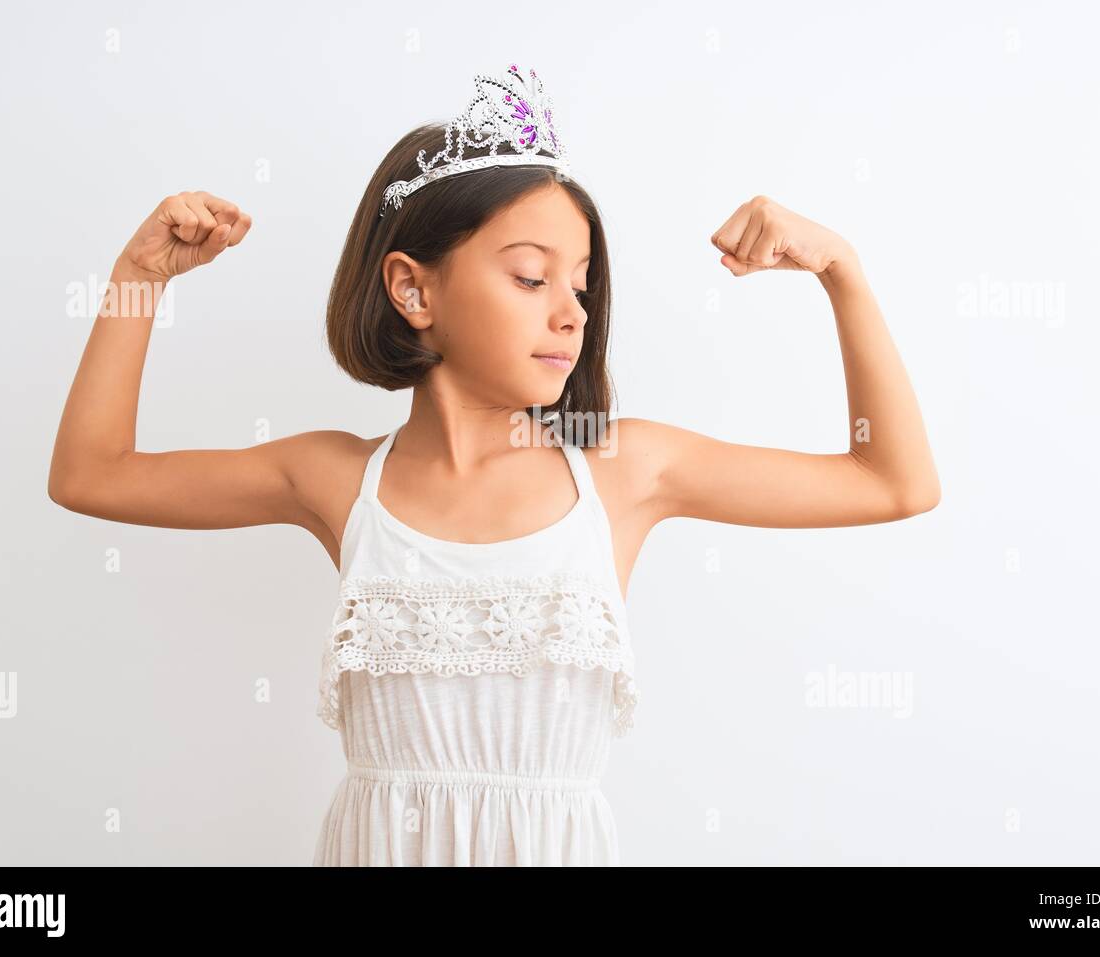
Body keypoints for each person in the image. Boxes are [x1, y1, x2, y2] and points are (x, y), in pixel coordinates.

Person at [48, 63, 940, 866]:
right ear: (412, 288)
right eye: (530, 276)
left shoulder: (621, 472)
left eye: (581, 284)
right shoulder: (334, 480)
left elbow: (892, 482)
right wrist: (140, 275)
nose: (571, 313)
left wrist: (842, 273)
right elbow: (93, 472)